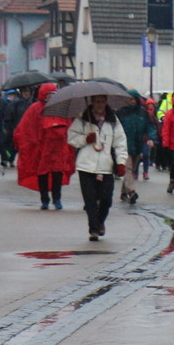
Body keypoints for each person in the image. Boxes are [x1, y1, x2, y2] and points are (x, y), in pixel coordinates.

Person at [67, 97, 128, 242]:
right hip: (86, 165)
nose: (100, 105)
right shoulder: (82, 119)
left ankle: (100, 221)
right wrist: (85, 139)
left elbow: (120, 142)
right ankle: (94, 229)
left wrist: (121, 162)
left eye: (102, 101)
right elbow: (71, 138)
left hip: (106, 166)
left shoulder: (113, 121)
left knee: (106, 199)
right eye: (97, 101)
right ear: (92, 102)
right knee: (90, 200)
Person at [14, 82, 73, 209]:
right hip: (41, 147)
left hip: (58, 147)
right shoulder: (35, 108)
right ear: (43, 95)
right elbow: (26, 126)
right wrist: (24, 141)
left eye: (53, 94)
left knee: (57, 172)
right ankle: (44, 199)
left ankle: (57, 199)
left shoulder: (61, 108)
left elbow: (69, 126)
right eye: (49, 94)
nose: (51, 97)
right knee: (42, 173)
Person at [118, 91, 157, 205]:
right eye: (130, 99)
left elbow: (150, 125)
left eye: (134, 99)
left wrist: (151, 138)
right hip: (124, 146)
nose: (133, 101)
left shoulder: (143, 113)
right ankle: (131, 191)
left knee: (132, 169)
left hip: (137, 144)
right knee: (128, 168)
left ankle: (124, 192)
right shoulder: (120, 113)